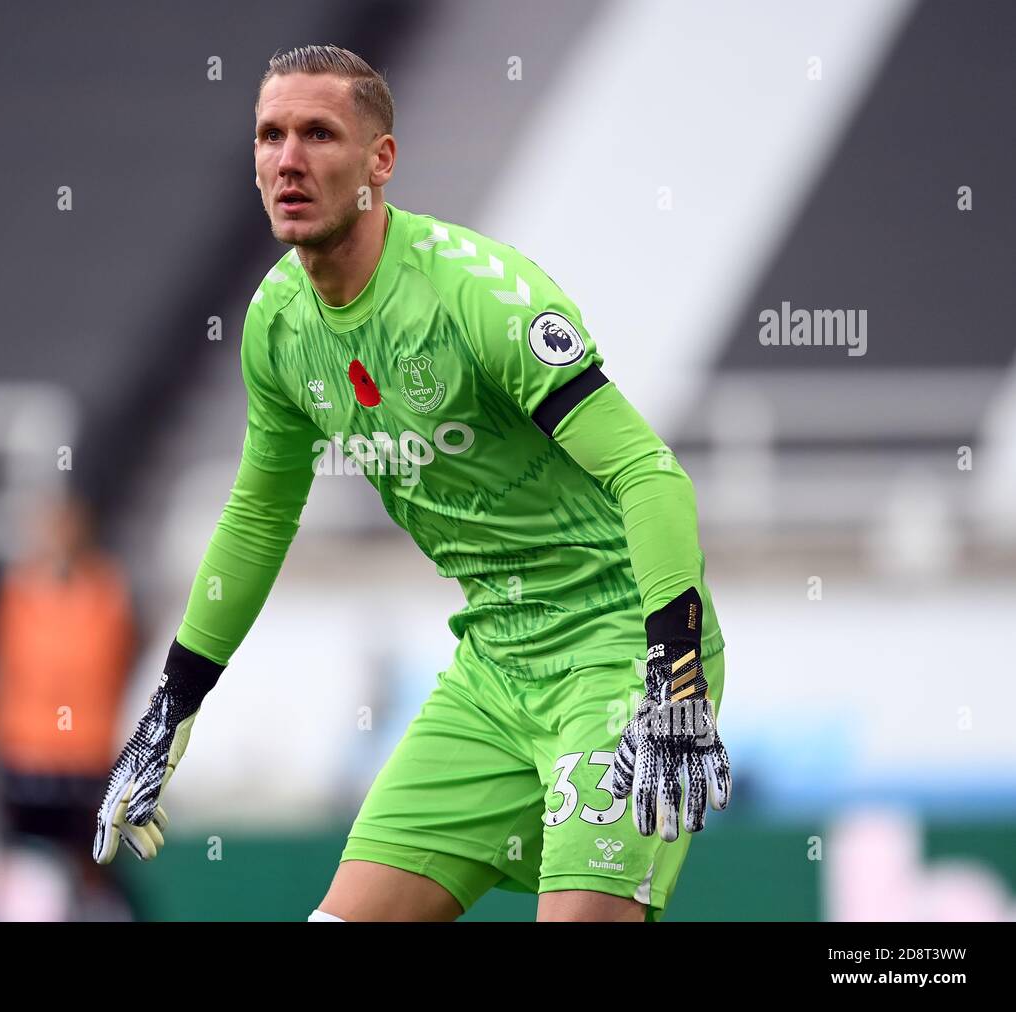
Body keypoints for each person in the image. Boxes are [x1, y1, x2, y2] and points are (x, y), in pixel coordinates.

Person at [93, 43, 731, 923]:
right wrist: (172, 701)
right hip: (493, 669)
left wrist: (676, 673)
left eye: (319, 133)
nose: (288, 160)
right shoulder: (278, 323)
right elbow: (256, 518)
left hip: (621, 658)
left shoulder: (479, 296)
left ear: (379, 160)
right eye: (270, 135)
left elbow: (651, 474)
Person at [0, 491, 140, 919]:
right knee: (19, 869)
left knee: (96, 865)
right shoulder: (17, 592)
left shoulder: (108, 590)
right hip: (25, 754)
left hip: (87, 755)